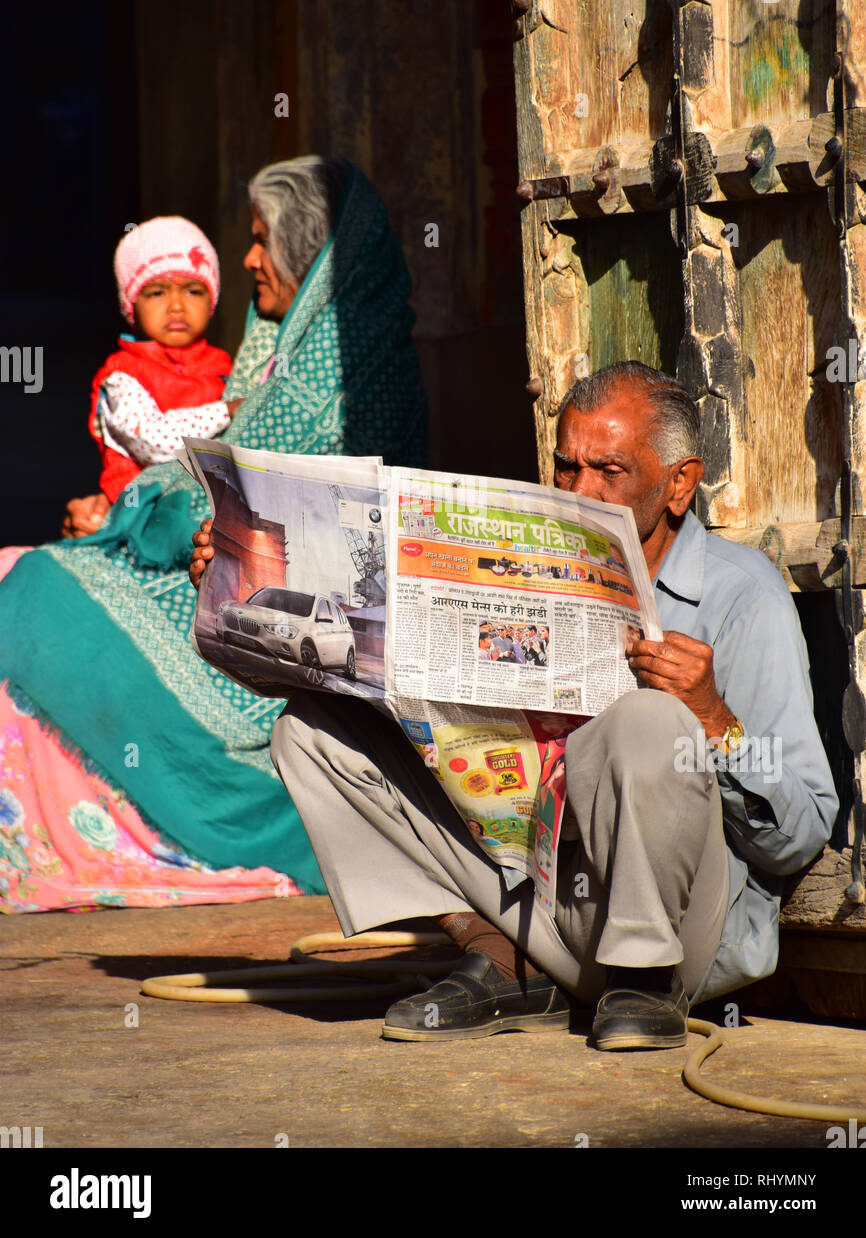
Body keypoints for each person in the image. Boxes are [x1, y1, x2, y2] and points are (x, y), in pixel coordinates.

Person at [240, 361, 837, 1048]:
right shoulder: (514, 564)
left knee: (651, 719)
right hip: (535, 895)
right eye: (565, 467)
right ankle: (502, 956)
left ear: (679, 483)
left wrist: (714, 720)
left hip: (674, 933)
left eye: (608, 471)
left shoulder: (742, 595)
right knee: (311, 735)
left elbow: (802, 832)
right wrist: (236, 591)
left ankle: (641, 982)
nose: (580, 491)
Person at [0, 156, 427, 912]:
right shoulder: (272, 362)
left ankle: (96, 835)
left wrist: (150, 515)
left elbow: (273, 537)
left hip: (279, 640)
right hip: (210, 577)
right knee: (26, 572)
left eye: (263, 241)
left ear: (310, 251)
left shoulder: (342, 383)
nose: (249, 259)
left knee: (33, 591)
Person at [89, 217, 239, 503]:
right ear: (131, 305)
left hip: (205, 501)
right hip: (145, 508)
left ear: (212, 300)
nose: (177, 306)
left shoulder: (223, 367)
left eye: (193, 291)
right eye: (157, 292)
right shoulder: (122, 375)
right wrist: (225, 412)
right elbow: (153, 441)